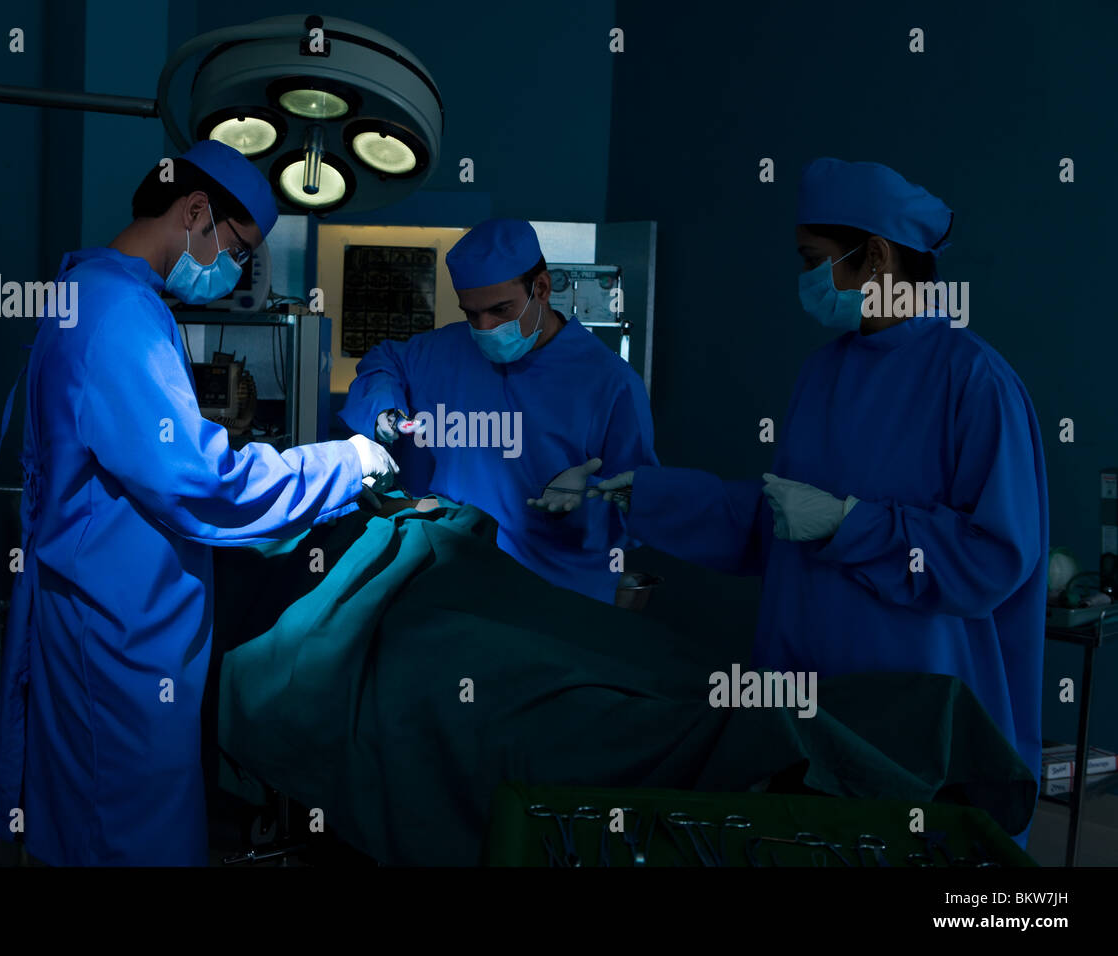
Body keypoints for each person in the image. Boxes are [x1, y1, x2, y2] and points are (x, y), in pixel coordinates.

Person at [568, 158, 1048, 847]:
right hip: (801, 697)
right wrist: (643, 492)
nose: (805, 278)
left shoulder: (974, 380)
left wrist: (855, 525)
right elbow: (779, 519)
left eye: (813, 259)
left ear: (875, 255)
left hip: (909, 716)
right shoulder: (824, 370)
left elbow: (994, 558)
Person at [0, 140, 398, 865]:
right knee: (128, 829)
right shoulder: (117, 314)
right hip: (117, 634)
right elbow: (201, 481)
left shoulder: (92, 290)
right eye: (237, 249)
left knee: (101, 820)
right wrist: (347, 464)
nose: (235, 272)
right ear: (196, 210)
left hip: (107, 612)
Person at [338, 218, 657, 603]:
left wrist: (583, 504)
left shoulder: (610, 383)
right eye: (471, 314)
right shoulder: (440, 353)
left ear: (541, 287)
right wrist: (383, 410)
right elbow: (381, 364)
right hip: (446, 585)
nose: (485, 328)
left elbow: (639, 511)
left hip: (554, 599)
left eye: (500, 310)